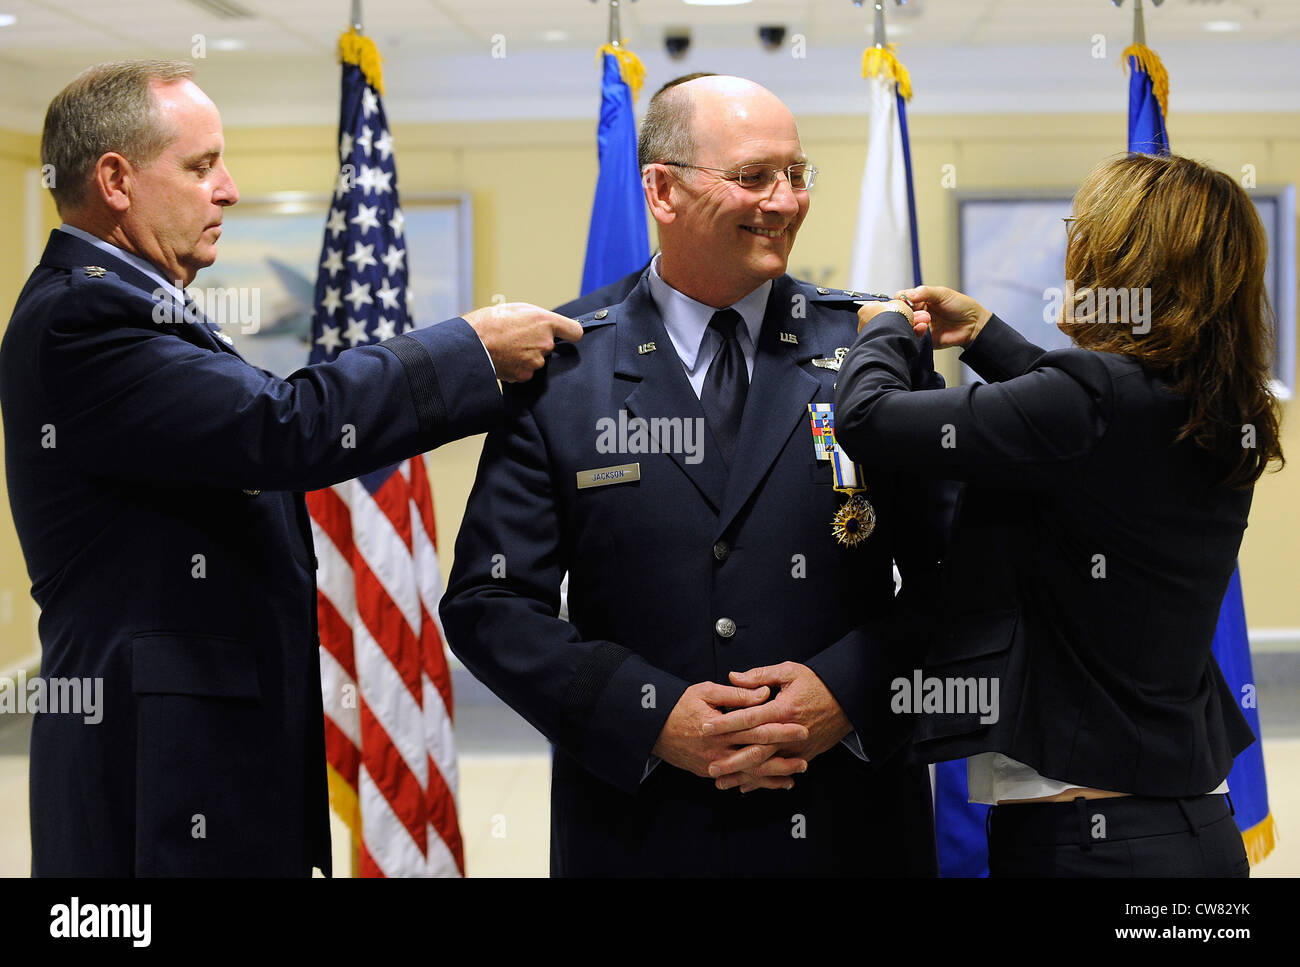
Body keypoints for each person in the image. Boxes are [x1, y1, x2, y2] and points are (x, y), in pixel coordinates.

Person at [0, 59, 581, 876]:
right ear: (115, 179)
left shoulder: (129, 300)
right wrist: (470, 349)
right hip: (155, 773)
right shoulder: (83, 314)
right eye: (201, 166)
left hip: (202, 753)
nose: (228, 189)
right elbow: (284, 426)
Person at [441, 75, 942, 876]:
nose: (786, 201)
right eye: (754, 177)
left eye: (798, 174)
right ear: (662, 189)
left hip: (848, 823)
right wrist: (648, 713)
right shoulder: (562, 368)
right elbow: (489, 603)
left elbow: (964, 575)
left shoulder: (874, 353)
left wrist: (848, 690)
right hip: (640, 830)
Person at [833, 152, 1283, 877]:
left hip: (1087, 849)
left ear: (1115, 252)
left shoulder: (1097, 399)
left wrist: (883, 329)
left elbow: (868, 417)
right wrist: (985, 333)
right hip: (1191, 835)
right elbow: (1082, 433)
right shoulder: (1214, 407)